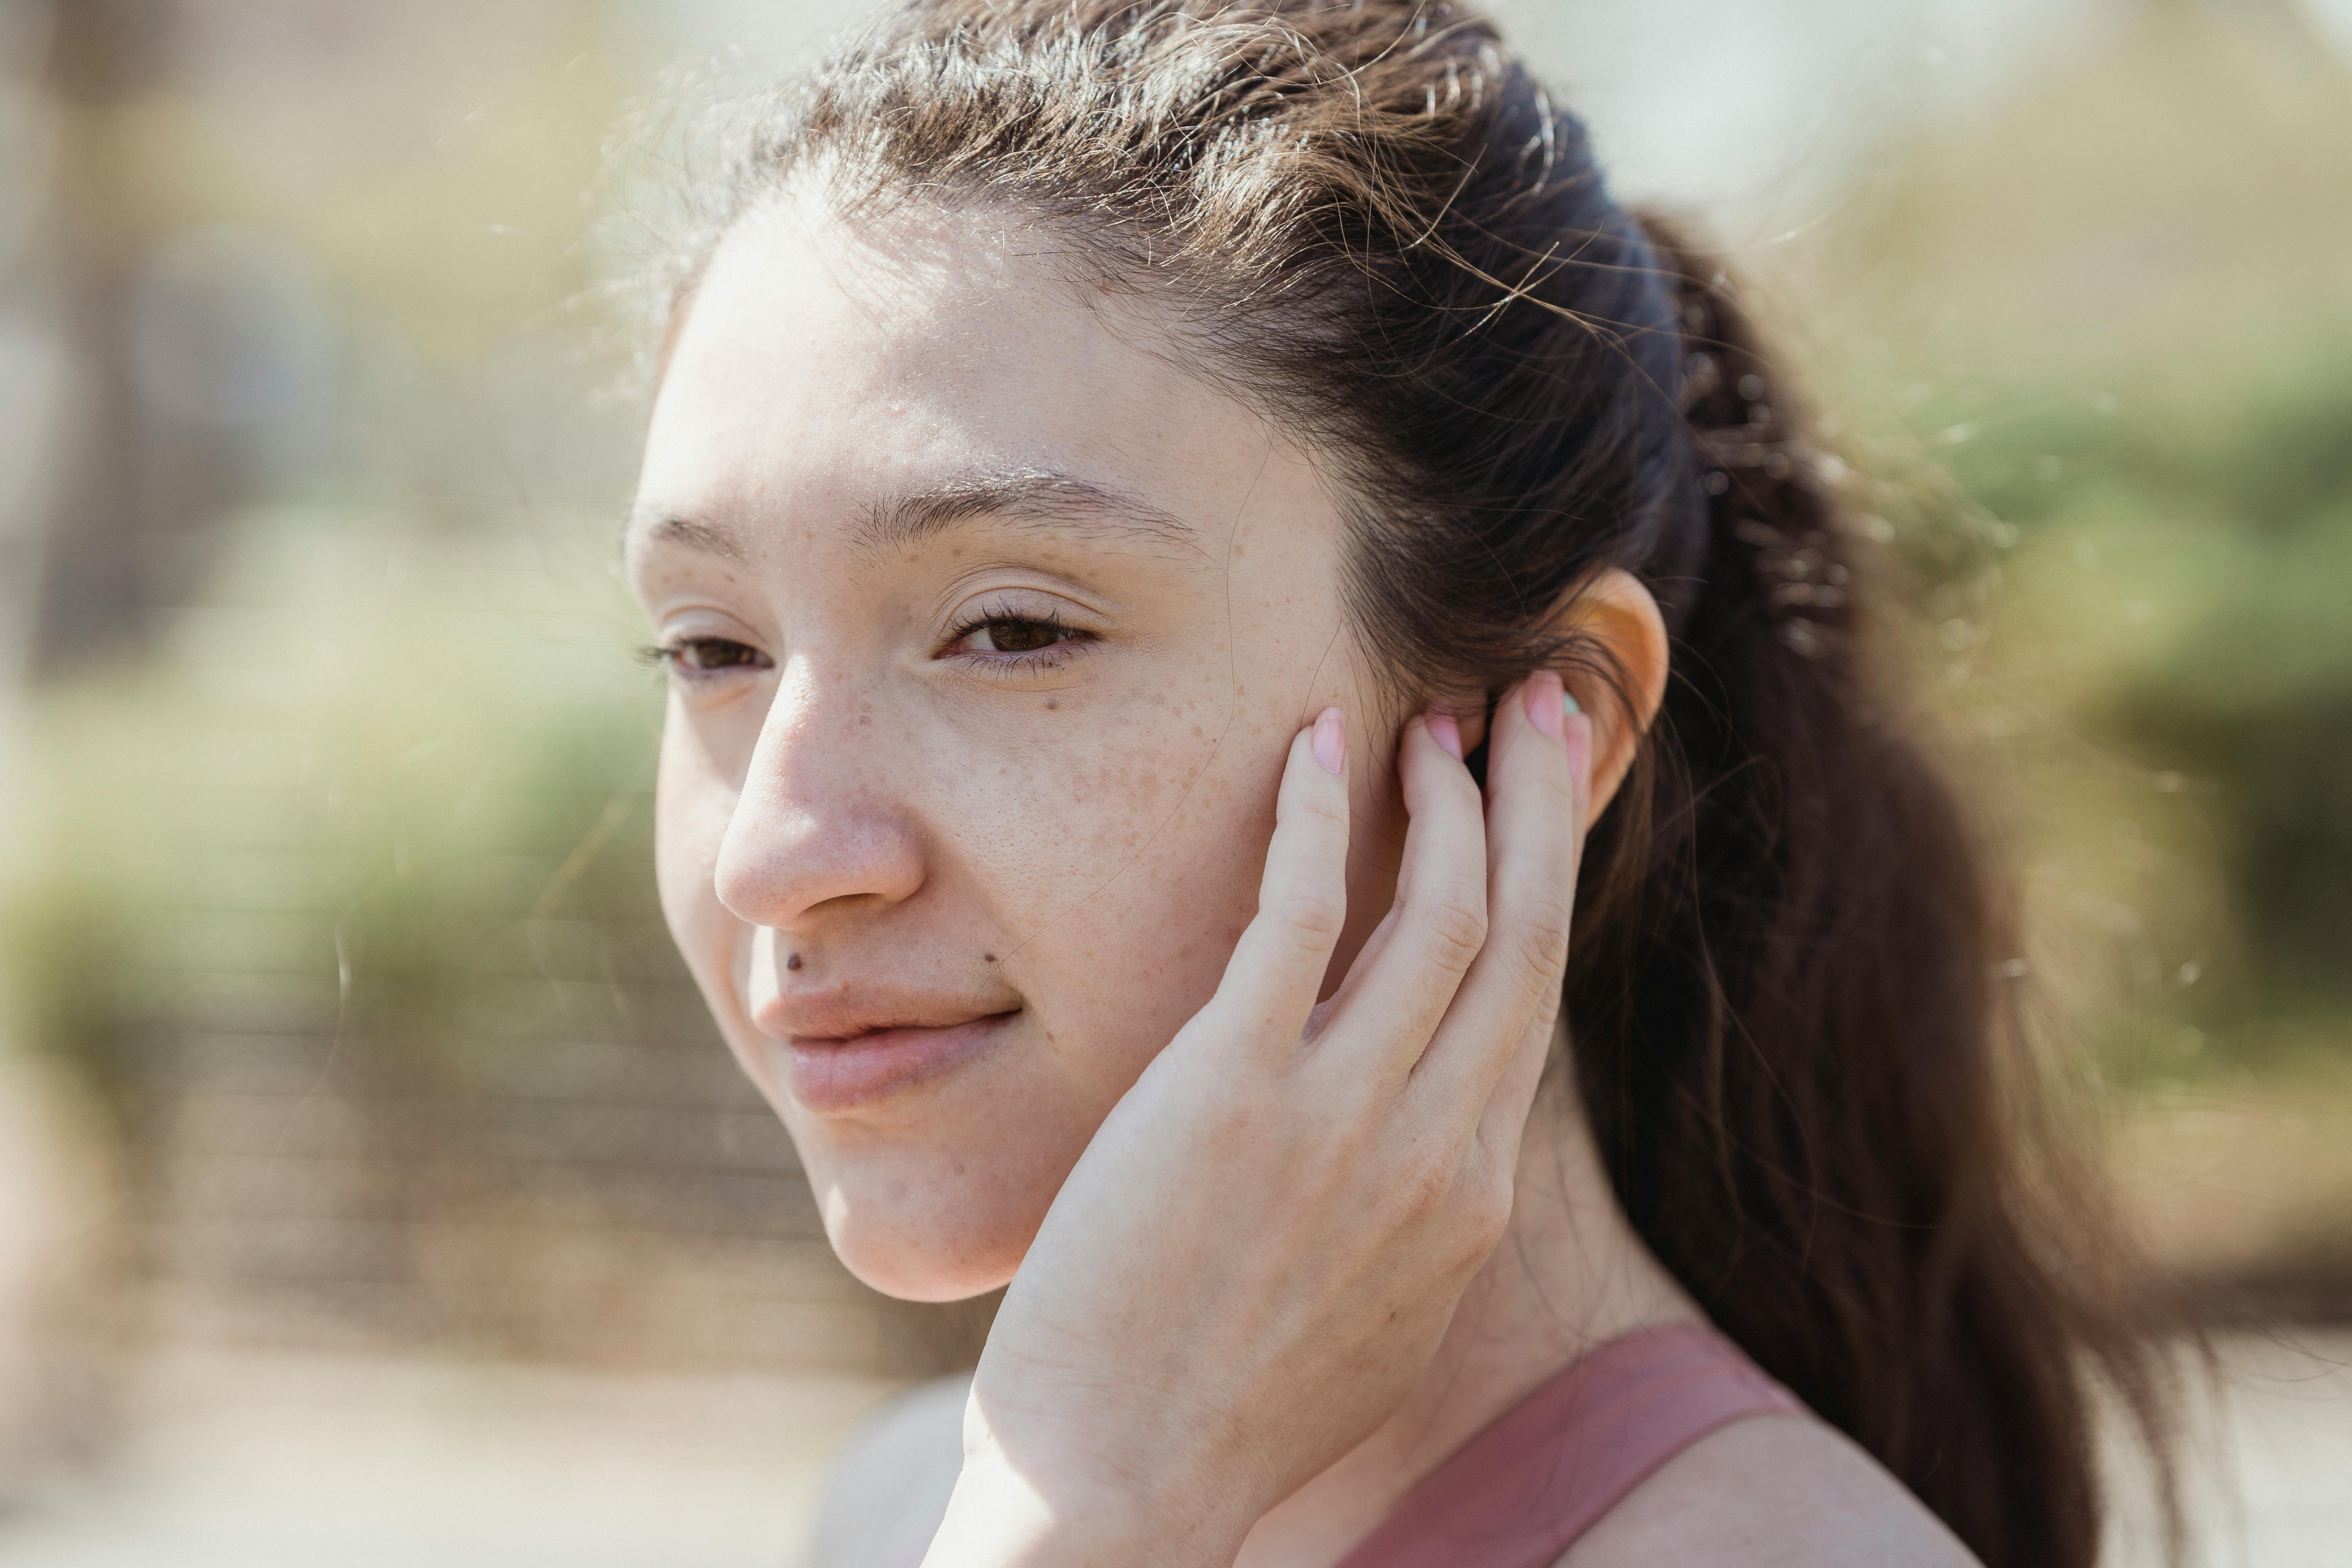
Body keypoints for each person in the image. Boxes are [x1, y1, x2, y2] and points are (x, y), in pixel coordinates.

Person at [622, 2, 2179, 1563]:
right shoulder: (915, 1501)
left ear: (1549, 722)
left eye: (1015, 628)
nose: (777, 849)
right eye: (711, 650)